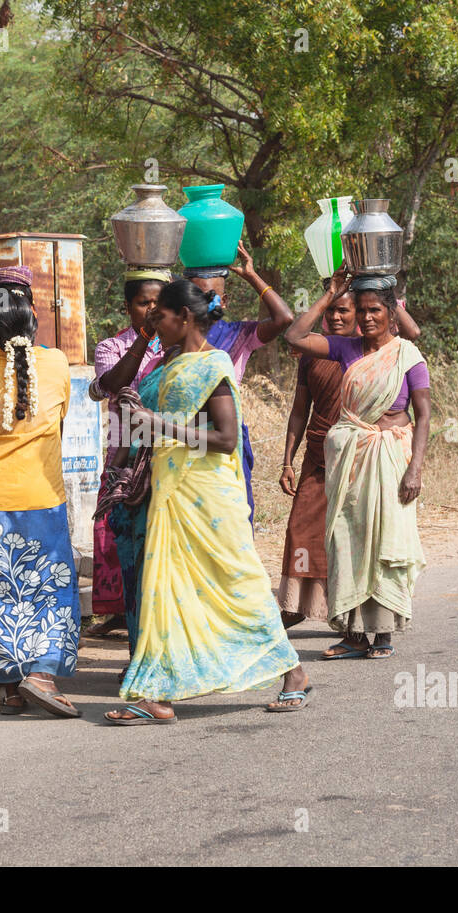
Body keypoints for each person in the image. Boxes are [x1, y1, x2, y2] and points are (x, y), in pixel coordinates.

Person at [105, 280, 311, 724]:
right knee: (167, 591)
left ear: (184, 317)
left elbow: (223, 440)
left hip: (209, 498)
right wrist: (125, 453)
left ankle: (293, 672)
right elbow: (121, 403)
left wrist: (158, 423)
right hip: (168, 495)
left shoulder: (212, 366)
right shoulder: (161, 369)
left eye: (158, 315)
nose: (151, 322)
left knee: (237, 585)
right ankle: (156, 694)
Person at [284, 268, 430, 660]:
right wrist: (329, 293)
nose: (366, 318)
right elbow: (294, 336)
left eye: (374, 311)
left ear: (391, 314)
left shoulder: (407, 355)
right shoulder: (344, 349)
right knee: (346, 539)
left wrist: (415, 468)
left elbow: (424, 414)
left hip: (390, 461)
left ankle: (382, 633)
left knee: (382, 540)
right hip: (349, 461)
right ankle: (353, 634)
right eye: (361, 311)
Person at [0, 266, 81, 717]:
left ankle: (12, 688)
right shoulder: (56, 364)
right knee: (48, 590)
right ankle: (42, 674)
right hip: (44, 495)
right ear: (32, 318)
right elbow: (61, 422)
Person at [184, 241, 295, 521]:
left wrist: (252, 276)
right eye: (195, 296)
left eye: (211, 297)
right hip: (186, 439)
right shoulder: (175, 340)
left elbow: (284, 318)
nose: (203, 303)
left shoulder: (239, 336)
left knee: (232, 517)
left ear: (224, 302)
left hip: (226, 438)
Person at [88, 268, 170, 642]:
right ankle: (130, 626)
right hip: (125, 460)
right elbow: (114, 385)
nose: (151, 310)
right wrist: (143, 339)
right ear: (128, 307)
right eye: (143, 303)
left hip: (166, 458)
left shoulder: (177, 346)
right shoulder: (112, 347)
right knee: (123, 546)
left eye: (158, 303)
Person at [275, 280, 357, 628]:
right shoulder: (313, 352)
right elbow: (299, 410)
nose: (336, 317)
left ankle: (347, 610)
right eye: (331, 310)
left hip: (355, 458)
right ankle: (295, 605)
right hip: (316, 455)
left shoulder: (368, 351)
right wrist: (287, 460)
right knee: (301, 530)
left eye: (344, 310)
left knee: (347, 535)